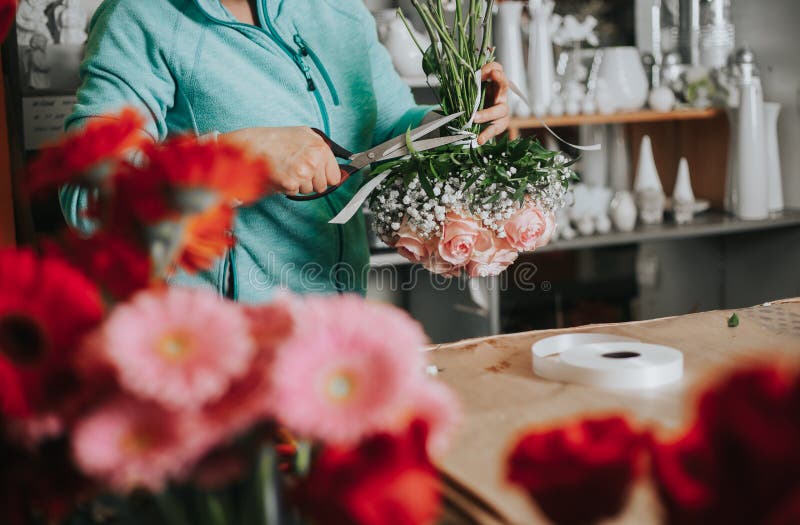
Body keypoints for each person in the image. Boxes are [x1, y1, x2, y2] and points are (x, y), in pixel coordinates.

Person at [61, 0, 511, 302]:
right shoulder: (139, 17)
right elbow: (89, 196)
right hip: (219, 338)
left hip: (336, 321)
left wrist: (456, 122)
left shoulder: (339, 9)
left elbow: (390, 125)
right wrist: (236, 158)